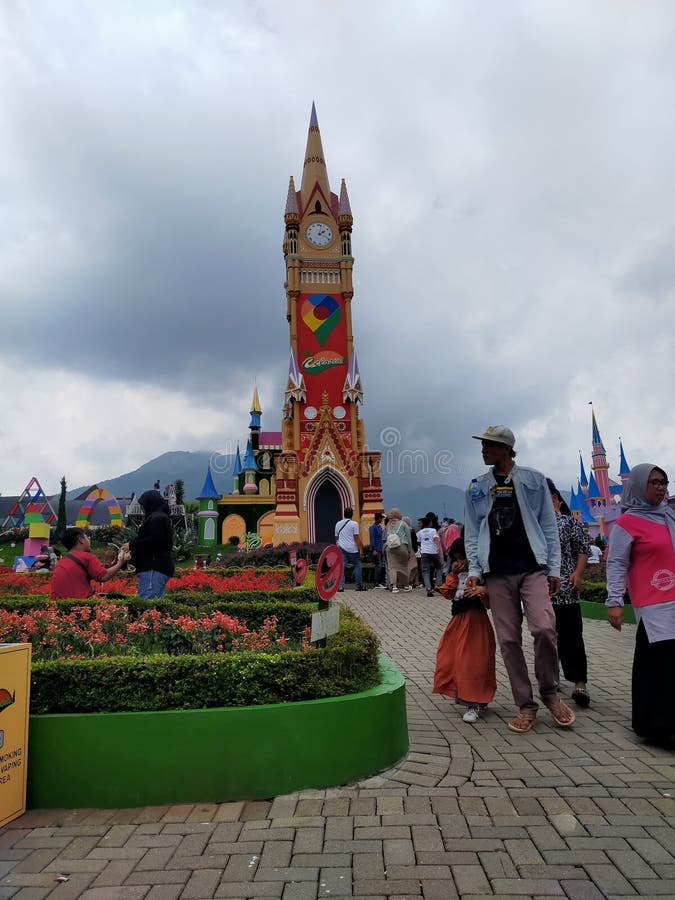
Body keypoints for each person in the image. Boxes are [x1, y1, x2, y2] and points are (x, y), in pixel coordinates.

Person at [464, 425, 573, 734]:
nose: (483, 450)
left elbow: (548, 527)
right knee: (509, 640)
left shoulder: (534, 481)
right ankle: (525, 705)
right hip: (496, 573)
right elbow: (473, 533)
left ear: (506, 448)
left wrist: (553, 569)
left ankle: (549, 692)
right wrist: (474, 571)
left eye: (489, 445)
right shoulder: (476, 487)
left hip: (531, 569)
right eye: (482, 444)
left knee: (544, 628)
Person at [606, 463, 675, 741]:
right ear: (637, 485)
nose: (661, 487)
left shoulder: (670, 516)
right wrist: (614, 601)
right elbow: (616, 563)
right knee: (659, 665)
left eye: (664, 482)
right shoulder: (627, 523)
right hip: (653, 605)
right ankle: (657, 727)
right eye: (654, 482)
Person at [434, 538, 496, 724]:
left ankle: (473, 702)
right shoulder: (456, 574)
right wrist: (453, 575)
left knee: (473, 661)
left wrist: (481, 591)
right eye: (456, 558)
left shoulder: (481, 576)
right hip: (458, 622)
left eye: (463, 558)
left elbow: (490, 602)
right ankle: (463, 693)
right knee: (451, 658)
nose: (459, 562)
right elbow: (447, 593)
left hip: (476, 622)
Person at [547, 479, 591, 707]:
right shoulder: (533, 525)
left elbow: (582, 549)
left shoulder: (568, 522)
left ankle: (579, 683)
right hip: (541, 591)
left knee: (572, 636)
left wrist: (578, 573)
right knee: (546, 638)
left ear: (554, 497)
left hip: (567, 588)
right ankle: (549, 679)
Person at [121, 490, 175, 599]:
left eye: (144, 505)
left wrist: (132, 545)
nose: (143, 509)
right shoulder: (161, 517)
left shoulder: (157, 518)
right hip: (158, 567)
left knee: (146, 604)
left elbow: (156, 540)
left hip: (153, 567)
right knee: (155, 606)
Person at [51, 528, 128, 599]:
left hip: (57, 604)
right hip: (80, 603)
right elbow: (103, 576)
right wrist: (120, 563)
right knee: (118, 598)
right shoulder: (87, 557)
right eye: (87, 537)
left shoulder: (61, 561)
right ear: (81, 540)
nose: (89, 540)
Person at [335, 507, 364, 592]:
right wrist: (361, 549)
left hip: (341, 548)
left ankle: (340, 586)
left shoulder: (338, 524)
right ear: (352, 514)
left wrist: (338, 547)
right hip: (353, 549)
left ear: (344, 514)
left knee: (341, 568)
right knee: (357, 565)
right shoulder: (354, 524)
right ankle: (358, 586)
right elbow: (356, 538)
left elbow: (336, 538)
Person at [385, 509, 412, 593]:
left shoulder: (388, 525)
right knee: (403, 566)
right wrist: (409, 550)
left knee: (392, 567)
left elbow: (386, 536)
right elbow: (408, 538)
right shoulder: (403, 524)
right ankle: (406, 586)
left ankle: (394, 587)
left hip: (390, 548)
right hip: (402, 546)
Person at [417, 516, 442, 598]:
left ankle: (428, 588)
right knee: (439, 567)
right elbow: (436, 540)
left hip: (424, 553)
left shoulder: (420, 532)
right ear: (429, 523)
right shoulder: (433, 530)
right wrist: (438, 549)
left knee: (425, 571)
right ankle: (438, 584)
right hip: (433, 552)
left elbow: (419, 542)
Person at [369, 513, 386, 588]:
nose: (381, 520)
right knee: (378, 566)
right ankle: (376, 582)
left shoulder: (379, 527)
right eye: (380, 518)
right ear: (377, 518)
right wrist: (374, 549)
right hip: (377, 549)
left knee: (379, 566)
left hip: (380, 549)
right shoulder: (373, 528)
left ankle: (379, 581)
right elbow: (372, 539)